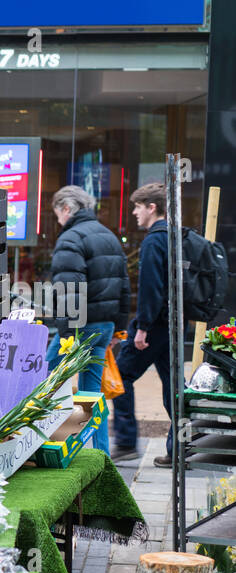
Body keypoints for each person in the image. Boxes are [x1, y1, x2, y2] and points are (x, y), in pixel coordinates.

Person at [43, 185, 129, 455]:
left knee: (44, 380)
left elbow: (68, 291)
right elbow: (124, 286)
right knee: (92, 394)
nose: (58, 221)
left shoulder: (71, 239)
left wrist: (66, 334)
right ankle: (99, 454)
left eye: (58, 214)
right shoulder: (109, 236)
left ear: (66, 209)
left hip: (79, 327)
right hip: (104, 327)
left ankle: (48, 446)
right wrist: (120, 328)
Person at [111, 182, 173, 467]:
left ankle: (125, 442)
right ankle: (182, 447)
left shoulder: (153, 240)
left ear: (152, 207)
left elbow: (151, 287)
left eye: (137, 206)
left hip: (154, 325)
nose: (134, 212)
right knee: (174, 386)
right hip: (172, 323)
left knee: (120, 376)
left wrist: (143, 328)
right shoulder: (174, 237)